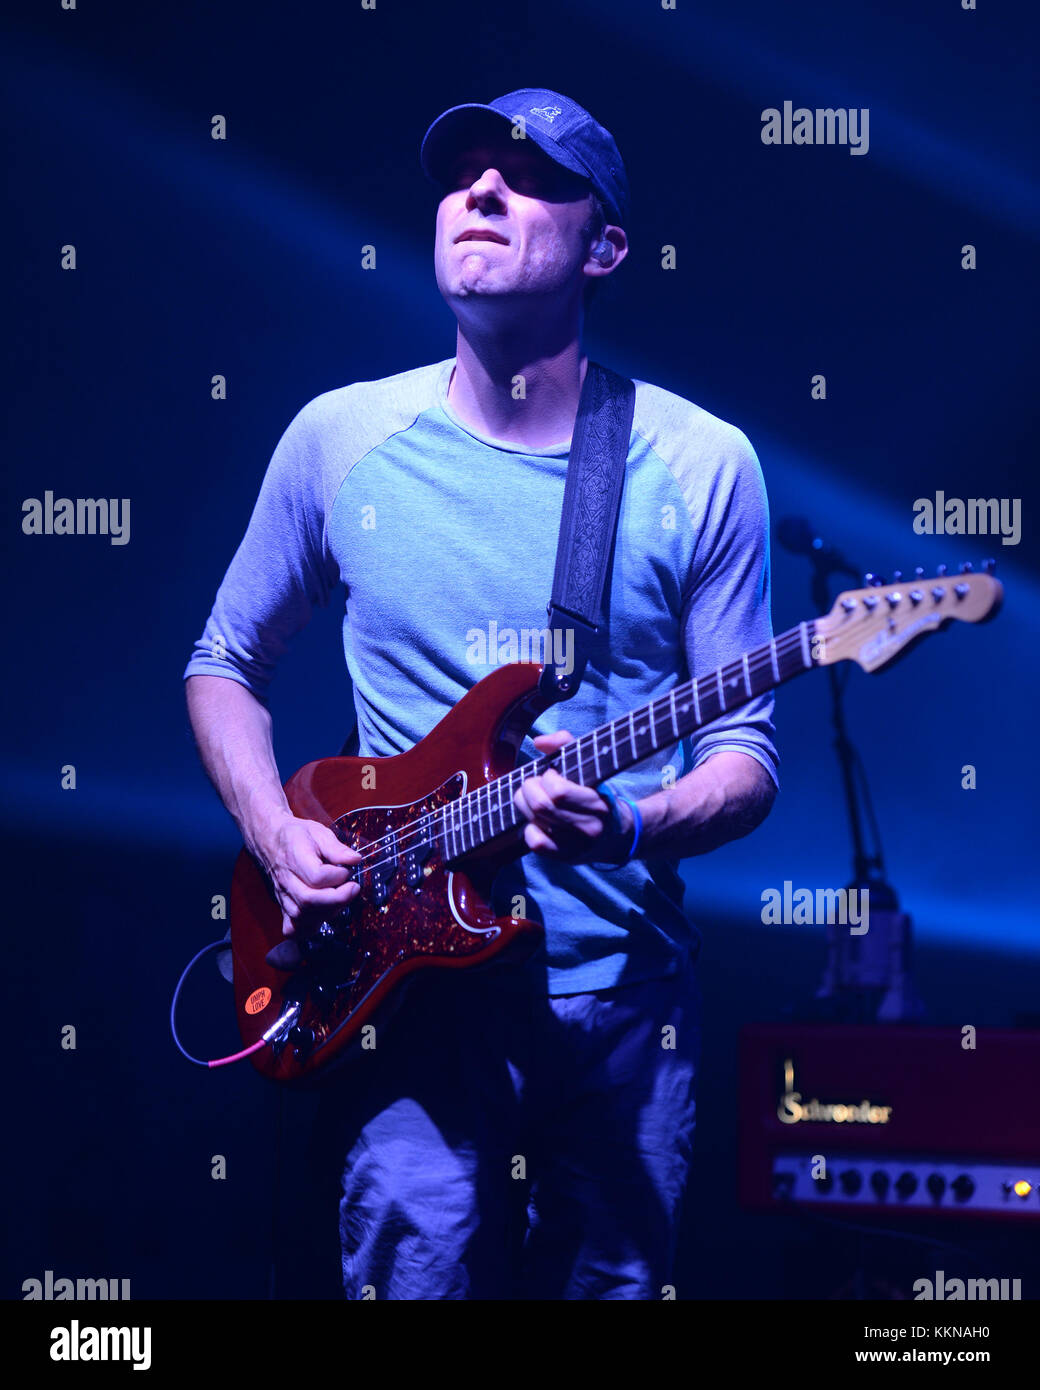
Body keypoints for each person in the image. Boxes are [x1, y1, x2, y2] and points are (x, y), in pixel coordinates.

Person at [183, 88, 779, 1300]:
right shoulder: (338, 441)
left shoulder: (701, 463)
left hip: (617, 1002)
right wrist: (272, 829)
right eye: (461, 173)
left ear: (603, 245)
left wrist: (636, 822)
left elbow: (744, 755)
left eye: (526, 175)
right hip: (405, 996)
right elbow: (222, 665)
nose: (480, 191)